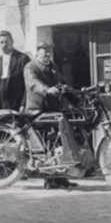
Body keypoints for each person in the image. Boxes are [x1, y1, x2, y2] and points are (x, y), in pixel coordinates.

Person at [24, 41, 80, 189]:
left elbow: (64, 83)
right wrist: (47, 90)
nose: (48, 53)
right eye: (45, 50)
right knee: (49, 141)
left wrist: (77, 95)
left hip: (52, 111)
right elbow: (33, 83)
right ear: (38, 51)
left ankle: (60, 177)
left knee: (63, 136)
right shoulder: (31, 67)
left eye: (50, 50)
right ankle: (49, 178)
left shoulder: (53, 68)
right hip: (36, 110)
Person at [0, 31, 30, 111]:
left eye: (6, 42)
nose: (4, 45)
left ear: (12, 41)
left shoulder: (22, 59)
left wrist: (23, 104)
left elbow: (27, 85)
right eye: (1, 42)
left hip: (15, 104)